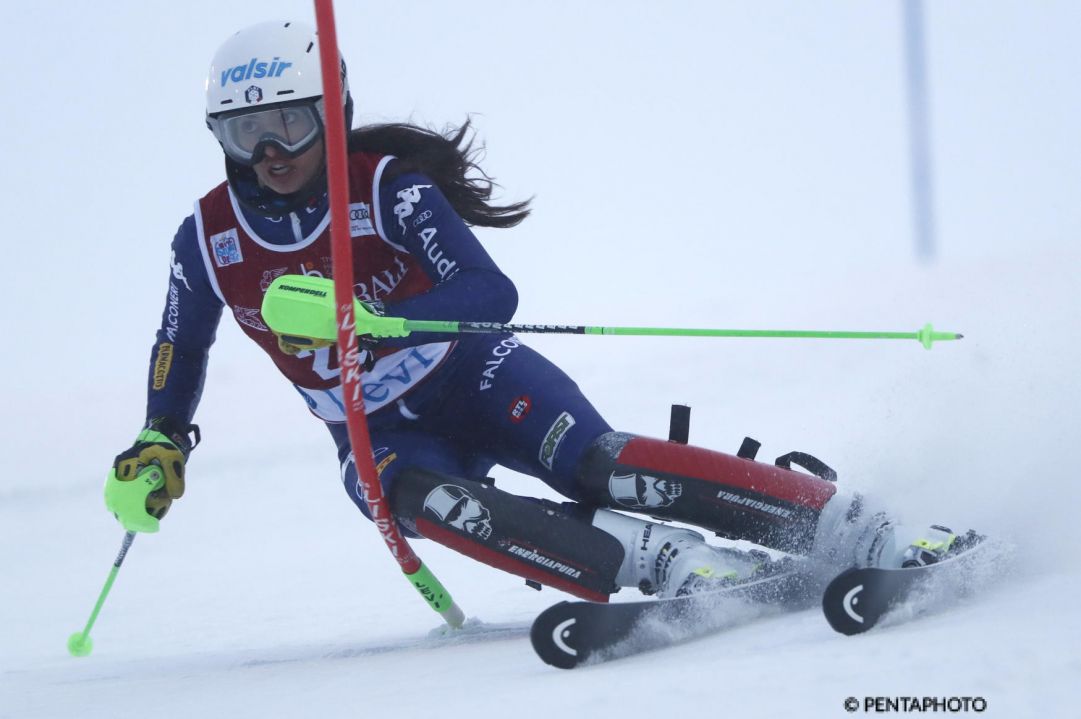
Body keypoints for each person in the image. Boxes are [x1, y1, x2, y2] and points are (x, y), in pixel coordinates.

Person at [107, 20, 972, 603]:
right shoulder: (207, 237)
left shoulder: (385, 188)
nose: (268, 154)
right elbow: (180, 344)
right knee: (430, 502)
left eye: (290, 124)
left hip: (477, 376)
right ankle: (674, 564)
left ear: (331, 114)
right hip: (377, 434)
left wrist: (376, 321)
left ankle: (865, 527)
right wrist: (159, 439)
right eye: (242, 133)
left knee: (601, 466)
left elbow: (490, 294)